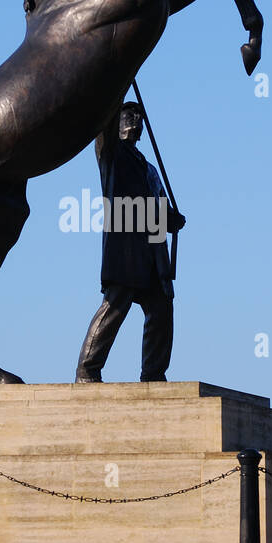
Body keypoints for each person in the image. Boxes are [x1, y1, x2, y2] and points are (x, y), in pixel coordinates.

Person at [75, 100, 185, 383]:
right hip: (125, 247)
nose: (135, 120)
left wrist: (173, 220)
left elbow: (158, 207)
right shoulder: (111, 154)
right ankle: (87, 370)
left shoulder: (149, 169)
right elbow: (103, 125)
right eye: (128, 115)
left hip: (152, 250)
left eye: (139, 117)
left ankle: (153, 373)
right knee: (115, 306)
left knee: (161, 309)